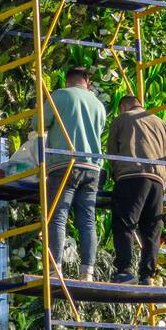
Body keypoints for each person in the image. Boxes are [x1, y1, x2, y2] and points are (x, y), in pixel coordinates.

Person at [106, 94, 166, 285]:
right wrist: (161, 169)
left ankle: (124, 270)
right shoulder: (161, 123)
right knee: (151, 229)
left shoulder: (121, 119)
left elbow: (112, 152)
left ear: (123, 107)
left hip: (131, 176)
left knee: (125, 223)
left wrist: (116, 172)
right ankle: (147, 275)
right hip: (157, 181)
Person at [44, 68, 106, 279]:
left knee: (58, 217)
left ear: (67, 79)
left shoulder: (60, 95)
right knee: (88, 221)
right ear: (87, 81)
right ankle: (87, 271)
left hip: (64, 164)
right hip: (92, 168)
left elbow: (39, 124)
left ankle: (55, 269)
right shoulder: (98, 104)